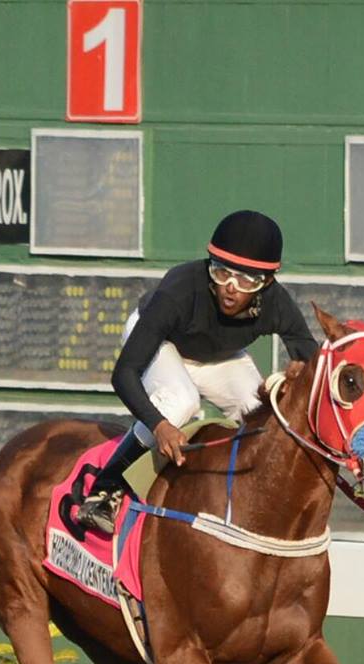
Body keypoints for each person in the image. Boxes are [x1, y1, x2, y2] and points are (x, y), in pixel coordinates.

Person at [77, 209, 318, 534]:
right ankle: (105, 489)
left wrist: (302, 375)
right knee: (181, 401)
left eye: (246, 279)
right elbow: (124, 373)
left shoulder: (277, 303)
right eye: (221, 273)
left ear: (267, 282)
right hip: (163, 343)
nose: (230, 288)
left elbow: (315, 366)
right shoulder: (180, 289)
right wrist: (159, 425)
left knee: (260, 412)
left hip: (217, 356)